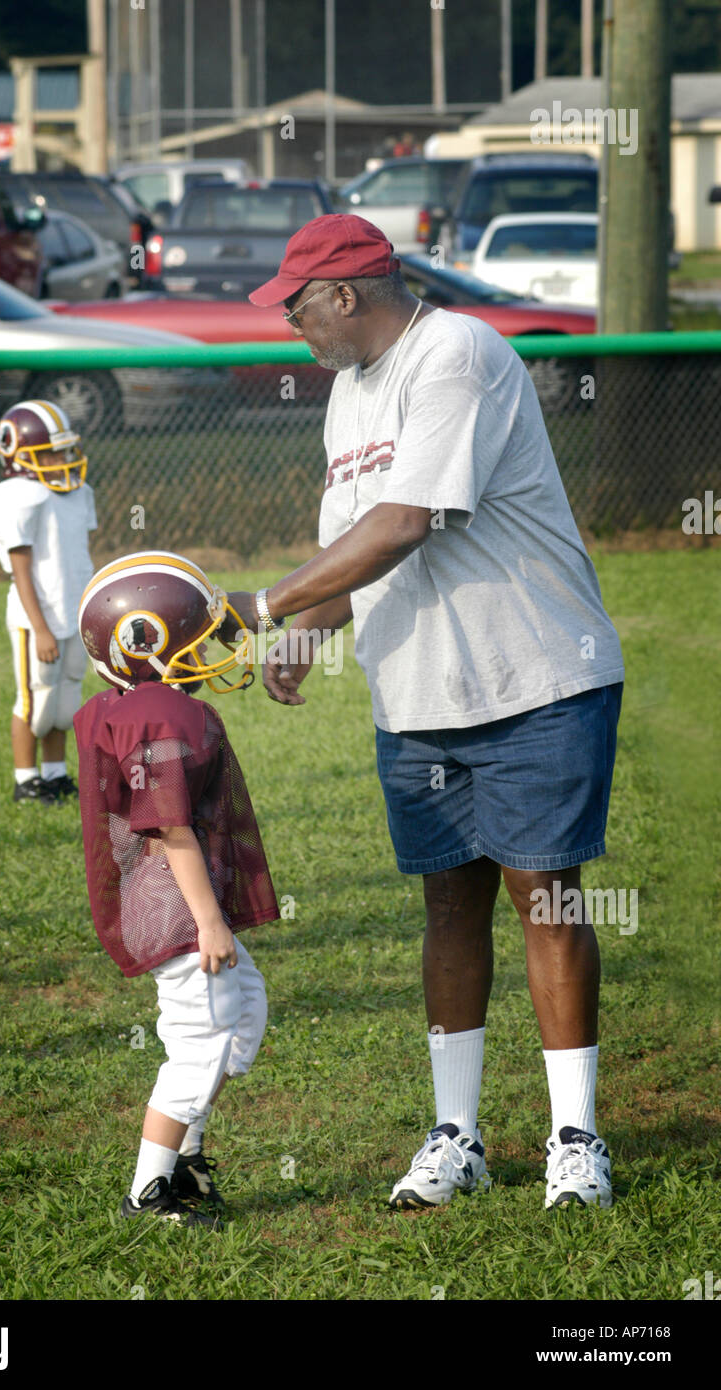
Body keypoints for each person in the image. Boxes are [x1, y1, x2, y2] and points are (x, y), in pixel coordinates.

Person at [228, 213, 625, 1212]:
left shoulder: (456, 352)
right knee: (449, 905)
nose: (291, 324)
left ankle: (575, 1141)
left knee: (546, 893)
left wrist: (261, 604)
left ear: (347, 294)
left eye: (298, 303)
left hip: (534, 674)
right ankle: (458, 1134)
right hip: (420, 693)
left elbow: (409, 521)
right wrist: (310, 629)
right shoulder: (348, 396)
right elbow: (361, 538)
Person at [74, 551, 279, 1228]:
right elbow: (170, 831)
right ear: (148, 646)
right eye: (194, 639)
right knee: (198, 1044)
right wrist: (210, 921)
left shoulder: (138, 704)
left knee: (243, 1011)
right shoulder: (162, 718)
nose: (210, 651)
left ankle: (184, 1152)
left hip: (167, 897)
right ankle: (147, 1192)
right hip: (174, 902)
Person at [0, 400, 97, 804]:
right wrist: (41, 627)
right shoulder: (17, 497)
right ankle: (25, 779)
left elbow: (79, 559)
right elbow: (21, 572)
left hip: (72, 612)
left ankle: (55, 773)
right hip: (38, 619)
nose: (64, 458)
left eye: (67, 449)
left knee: (66, 696)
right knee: (36, 697)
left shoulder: (77, 494)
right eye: (53, 451)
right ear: (20, 454)